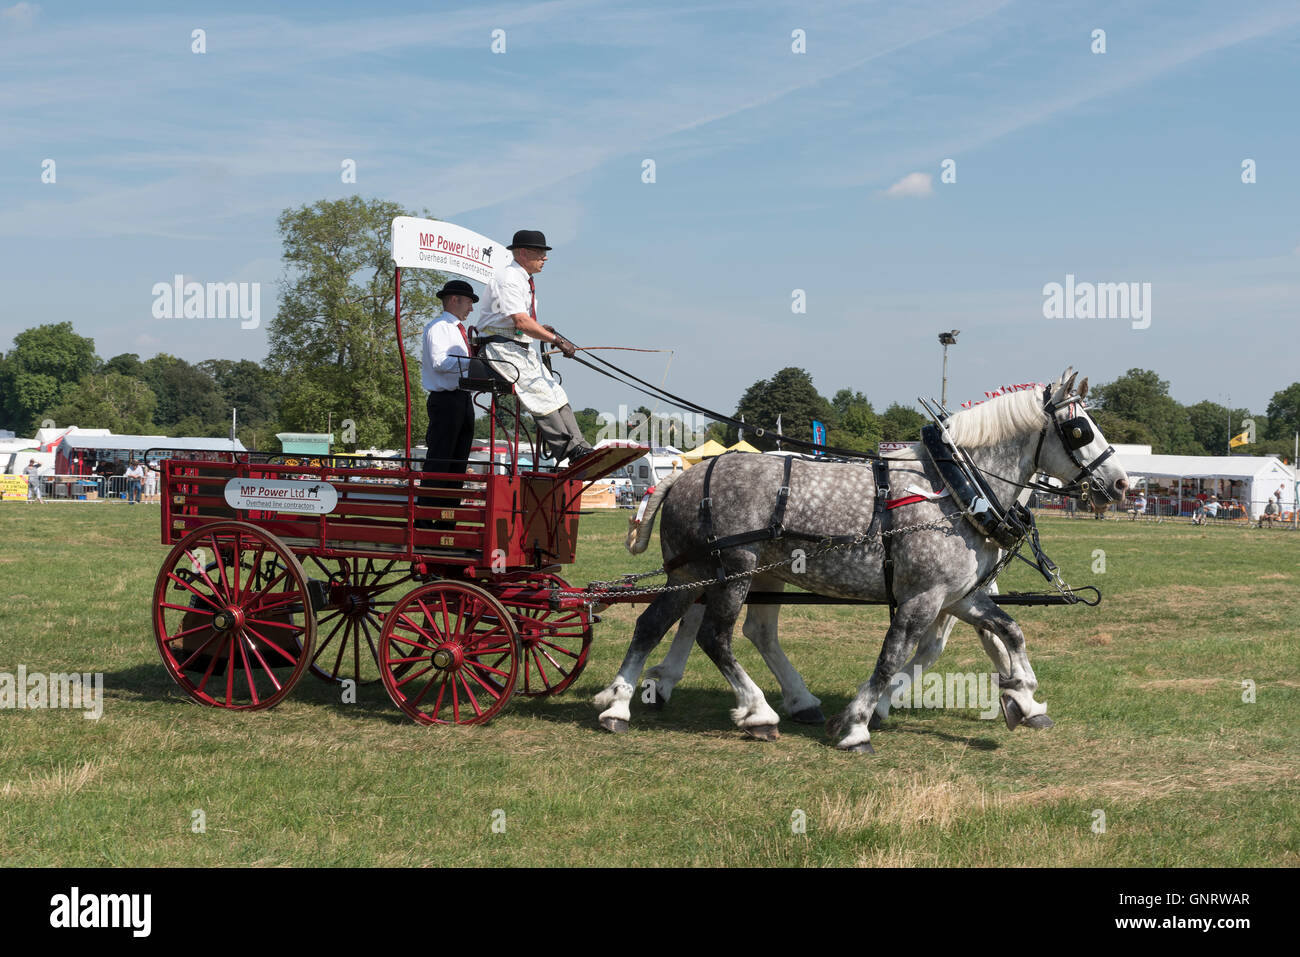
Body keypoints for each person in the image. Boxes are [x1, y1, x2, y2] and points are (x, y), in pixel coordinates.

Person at [476, 229, 594, 464]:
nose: (545, 257)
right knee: (539, 395)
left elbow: (523, 322)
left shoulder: (523, 280)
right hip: (501, 348)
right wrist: (557, 341)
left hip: (517, 346)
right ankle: (569, 451)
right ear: (522, 252)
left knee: (556, 393)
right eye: (540, 252)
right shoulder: (509, 278)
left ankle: (581, 446)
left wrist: (541, 329)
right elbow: (520, 321)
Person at [418, 279, 479, 531]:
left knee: (458, 461)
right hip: (445, 399)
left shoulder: (456, 329)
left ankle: (445, 519)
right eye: (468, 302)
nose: (471, 308)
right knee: (441, 458)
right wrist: (473, 362)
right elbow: (441, 363)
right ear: (454, 300)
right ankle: (425, 517)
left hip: (461, 397)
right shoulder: (440, 327)